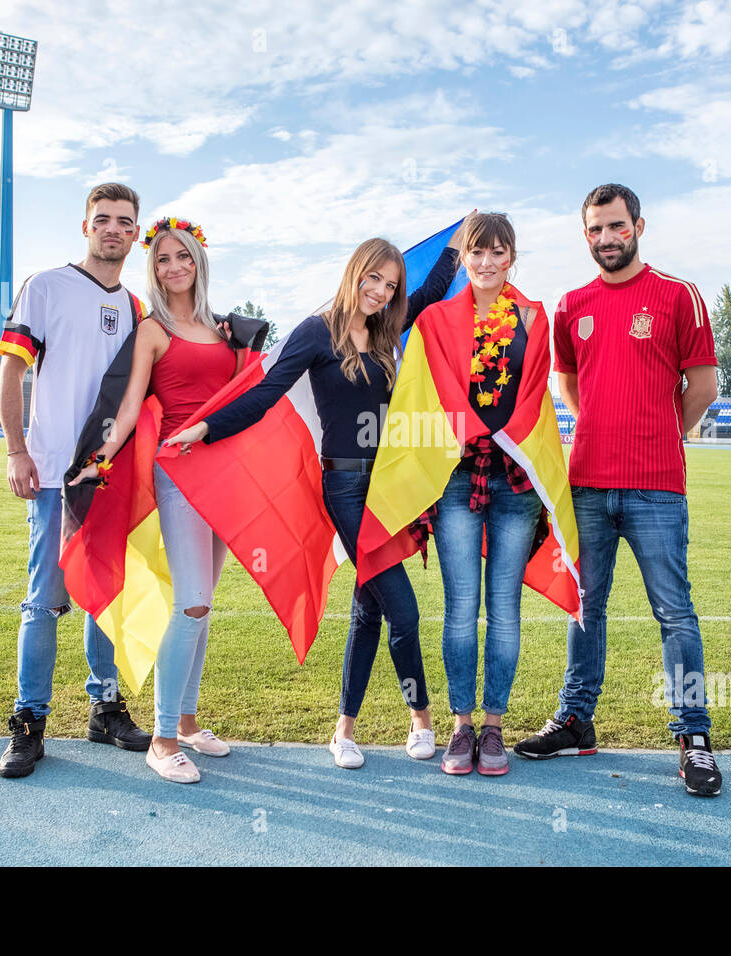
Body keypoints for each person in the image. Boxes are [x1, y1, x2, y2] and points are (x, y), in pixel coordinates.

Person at [166, 227, 463, 769]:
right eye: (372, 277)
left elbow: (430, 293)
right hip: (346, 488)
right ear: (355, 272)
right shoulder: (317, 332)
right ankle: (420, 719)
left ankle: (343, 730)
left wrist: (455, 247)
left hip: (390, 488)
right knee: (403, 607)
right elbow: (262, 395)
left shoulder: (389, 332)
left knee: (368, 608)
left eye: (390, 285)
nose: (379, 291)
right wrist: (205, 428)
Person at [513, 183, 723, 797]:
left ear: (638, 225)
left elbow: (704, 386)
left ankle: (693, 735)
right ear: (586, 234)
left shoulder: (677, 295)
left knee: (674, 612)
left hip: (657, 487)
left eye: (616, 226)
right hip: (587, 486)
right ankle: (576, 720)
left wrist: (660, 432)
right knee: (585, 607)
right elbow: (570, 387)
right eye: (595, 229)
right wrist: (604, 429)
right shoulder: (570, 304)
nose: (606, 238)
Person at [363, 212, 569, 777]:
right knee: (460, 610)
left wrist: (498, 435)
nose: (486, 262)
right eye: (477, 252)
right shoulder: (435, 320)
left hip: (515, 481)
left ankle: (495, 725)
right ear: (466, 257)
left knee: (503, 608)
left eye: (498, 252)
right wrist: (471, 433)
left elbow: (532, 396)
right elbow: (430, 394)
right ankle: (460, 726)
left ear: (512, 258)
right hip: (456, 478)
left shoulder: (533, 318)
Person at [68, 217, 254, 783]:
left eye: (183, 258)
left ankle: (191, 723)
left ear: (199, 262)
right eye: (163, 260)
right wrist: (100, 458)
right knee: (191, 602)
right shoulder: (152, 330)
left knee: (205, 604)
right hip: (177, 474)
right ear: (154, 270)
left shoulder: (225, 331)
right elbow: (128, 409)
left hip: (225, 475)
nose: (174, 267)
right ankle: (163, 738)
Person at [0, 183, 152, 778]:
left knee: (105, 596)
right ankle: (29, 720)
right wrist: (17, 450)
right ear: (84, 225)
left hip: (109, 474)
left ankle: (104, 705)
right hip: (57, 473)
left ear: (136, 234)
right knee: (44, 600)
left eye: (125, 222)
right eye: (103, 219)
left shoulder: (138, 308)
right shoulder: (46, 286)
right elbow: (10, 371)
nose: (113, 229)